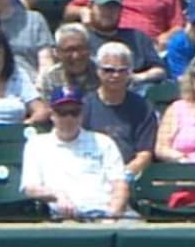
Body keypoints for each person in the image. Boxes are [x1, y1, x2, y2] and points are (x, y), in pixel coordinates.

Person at [20, 86, 133, 221]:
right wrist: (57, 195)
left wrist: (111, 216)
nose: (69, 118)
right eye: (62, 113)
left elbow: (120, 185)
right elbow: (30, 187)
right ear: (52, 115)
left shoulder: (103, 142)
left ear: (82, 114)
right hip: (64, 218)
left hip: (104, 213)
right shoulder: (37, 144)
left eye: (74, 112)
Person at [82, 42, 158, 178]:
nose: (115, 75)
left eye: (122, 70)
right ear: (98, 71)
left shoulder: (143, 107)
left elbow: (144, 154)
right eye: (108, 70)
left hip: (129, 176)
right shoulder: (85, 106)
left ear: (130, 72)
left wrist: (123, 174)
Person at [81, 0, 167, 90]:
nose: (108, 12)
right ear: (90, 6)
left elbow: (160, 71)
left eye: (114, 7)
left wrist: (137, 78)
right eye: (103, 7)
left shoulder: (137, 38)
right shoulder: (81, 39)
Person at [37, 24, 100, 99]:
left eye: (81, 48)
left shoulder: (103, 72)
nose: (76, 56)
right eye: (69, 50)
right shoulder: (49, 78)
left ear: (89, 49)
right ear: (57, 52)